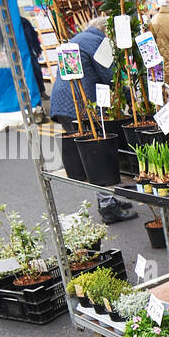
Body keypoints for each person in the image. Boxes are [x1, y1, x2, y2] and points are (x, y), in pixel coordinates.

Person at [48, 16, 135, 224]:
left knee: (92, 151)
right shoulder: (97, 41)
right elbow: (110, 76)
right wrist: (129, 96)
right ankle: (108, 206)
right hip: (79, 103)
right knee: (97, 152)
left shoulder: (79, 38)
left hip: (64, 102)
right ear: (107, 31)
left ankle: (109, 200)